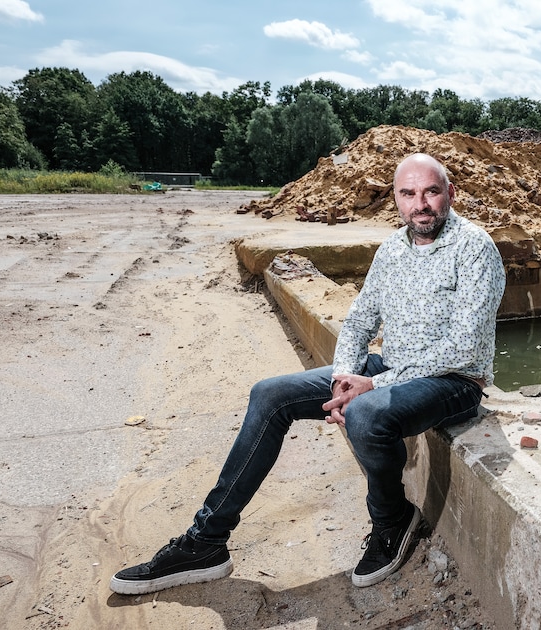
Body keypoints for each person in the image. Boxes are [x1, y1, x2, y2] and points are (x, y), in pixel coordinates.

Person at [110, 153, 506, 594]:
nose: (421, 204)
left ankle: (393, 520)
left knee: (366, 414)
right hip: (391, 368)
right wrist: (343, 376)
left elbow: (464, 346)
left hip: (453, 382)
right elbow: (358, 323)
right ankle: (206, 540)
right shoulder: (393, 249)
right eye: (408, 193)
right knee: (269, 394)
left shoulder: (475, 247)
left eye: (431, 191)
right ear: (394, 199)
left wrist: (372, 385)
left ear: (450, 193)